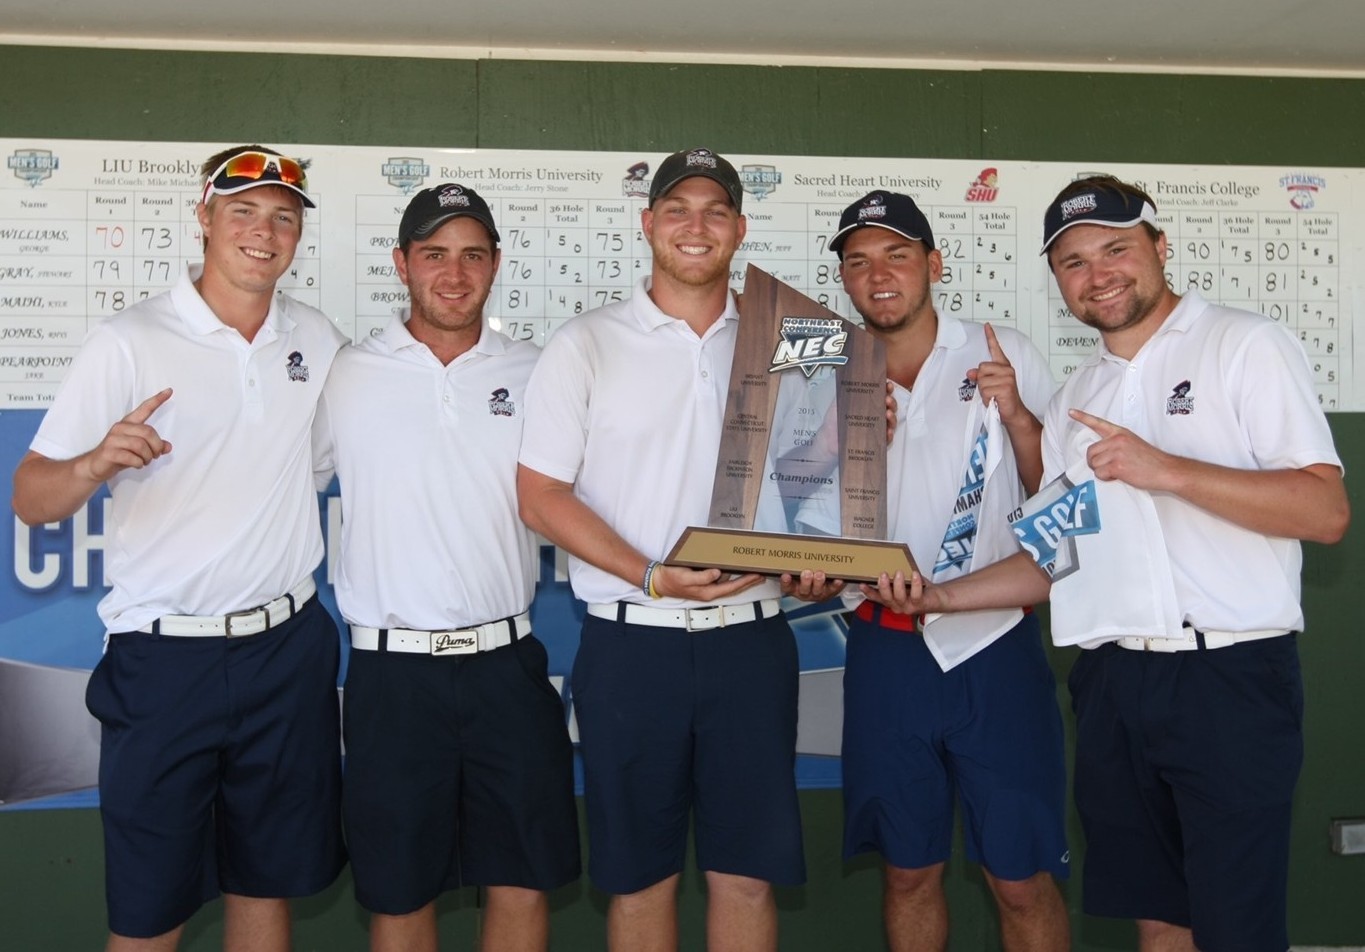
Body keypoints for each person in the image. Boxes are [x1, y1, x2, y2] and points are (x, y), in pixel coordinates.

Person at [881, 174, 1349, 952]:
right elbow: (1057, 558)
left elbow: (1324, 512)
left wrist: (1167, 470)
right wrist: (939, 597)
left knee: (1234, 925)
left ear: (1159, 249)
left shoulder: (1244, 343)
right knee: (1158, 917)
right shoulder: (1074, 397)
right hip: (1112, 683)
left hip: (1227, 678)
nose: (1096, 273)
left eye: (1115, 249)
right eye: (1072, 261)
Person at [11, 146, 348, 952]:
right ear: (204, 219)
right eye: (243, 212)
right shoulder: (129, 341)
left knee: (265, 890)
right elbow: (30, 498)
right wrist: (94, 462)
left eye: (282, 217)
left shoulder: (317, 338)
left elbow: (331, 464)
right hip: (163, 662)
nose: (263, 233)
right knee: (148, 911)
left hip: (285, 651)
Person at [516, 147, 805, 952]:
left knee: (744, 875)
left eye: (715, 210)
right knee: (640, 877)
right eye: (677, 208)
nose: (695, 225)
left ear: (740, 229)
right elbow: (540, 496)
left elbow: (822, 490)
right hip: (628, 644)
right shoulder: (587, 342)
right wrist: (651, 573)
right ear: (647, 224)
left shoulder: (796, 342)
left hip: (750, 643)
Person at [312, 183, 580, 952]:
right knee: (399, 892)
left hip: (508, 666)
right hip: (390, 677)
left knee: (521, 880)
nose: (453, 274)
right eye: (434, 254)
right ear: (401, 264)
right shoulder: (346, 373)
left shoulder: (542, 371)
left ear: (496, 265)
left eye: (471, 255)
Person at [812, 190, 1071, 951]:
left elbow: (1054, 502)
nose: (877, 274)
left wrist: (1022, 419)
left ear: (932, 264)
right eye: (857, 262)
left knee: (1019, 877)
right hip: (883, 644)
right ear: (845, 284)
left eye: (896, 255)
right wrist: (836, 441)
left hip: (995, 642)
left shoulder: (1001, 348)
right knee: (908, 869)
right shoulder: (823, 366)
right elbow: (789, 516)